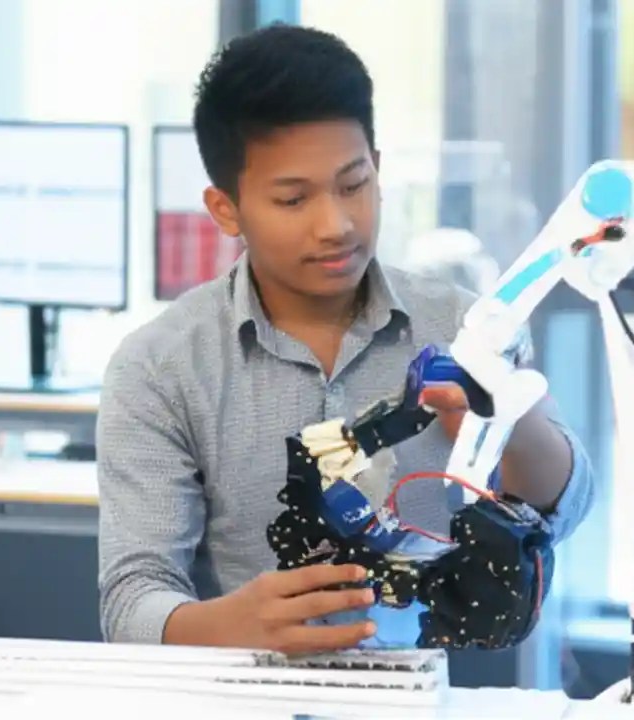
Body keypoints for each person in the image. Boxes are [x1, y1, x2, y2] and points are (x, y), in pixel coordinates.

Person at [97, 23, 593, 654]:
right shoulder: (160, 366)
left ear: (378, 169)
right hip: (244, 696)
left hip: (435, 691)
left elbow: (565, 513)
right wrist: (228, 626)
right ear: (226, 209)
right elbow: (132, 597)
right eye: (293, 199)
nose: (335, 224)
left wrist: (511, 422)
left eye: (353, 185)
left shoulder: (468, 330)